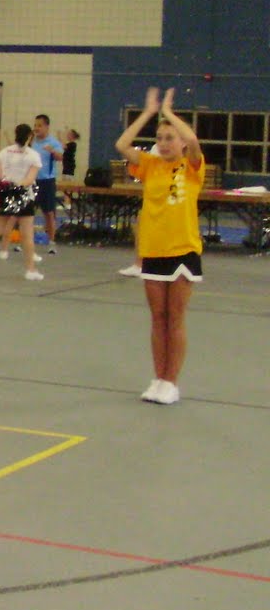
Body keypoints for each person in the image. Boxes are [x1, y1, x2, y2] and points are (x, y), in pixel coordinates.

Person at [115, 88, 204, 405]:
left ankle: (172, 381)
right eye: (161, 137)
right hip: (153, 250)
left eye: (171, 137)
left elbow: (192, 142)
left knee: (176, 316)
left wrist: (170, 113)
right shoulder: (150, 164)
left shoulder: (192, 167)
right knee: (158, 316)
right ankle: (157, 378)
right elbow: (122, 145)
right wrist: (148, 113)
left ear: (179, 141)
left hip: (183, 249)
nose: (166, 142)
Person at [0, 124, 44, 280]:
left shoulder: (3, 152)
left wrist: (4, 188)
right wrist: (18, 187)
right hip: (24, 196)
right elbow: (30, 179)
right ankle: (30, 270)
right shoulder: (33, 155)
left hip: (4, 195)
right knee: (27, 236)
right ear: (30, 136)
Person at [31, 114, 64, 255]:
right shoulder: (31, 142)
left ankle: (51, 242)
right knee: (27, 213)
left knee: (49, 213)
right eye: (35, 125)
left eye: (39, 125)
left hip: (47, 181)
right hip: (31, 180)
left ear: (46, 126)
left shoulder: (53, 142)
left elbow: (61, 157)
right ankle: (26, 241)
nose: (37, 128)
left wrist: (53, 152)